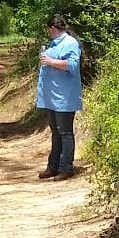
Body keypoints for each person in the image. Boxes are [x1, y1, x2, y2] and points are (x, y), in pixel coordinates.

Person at [35, 14, 82, 180]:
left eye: (48, 30)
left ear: (53, 28)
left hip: (64, 98)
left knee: (65, 133)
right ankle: (53, 167)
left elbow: (72, 65)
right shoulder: (54, 43)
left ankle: (66, 168)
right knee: (55, 132)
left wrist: (50, 61)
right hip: (52, 98)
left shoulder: (70, 43)